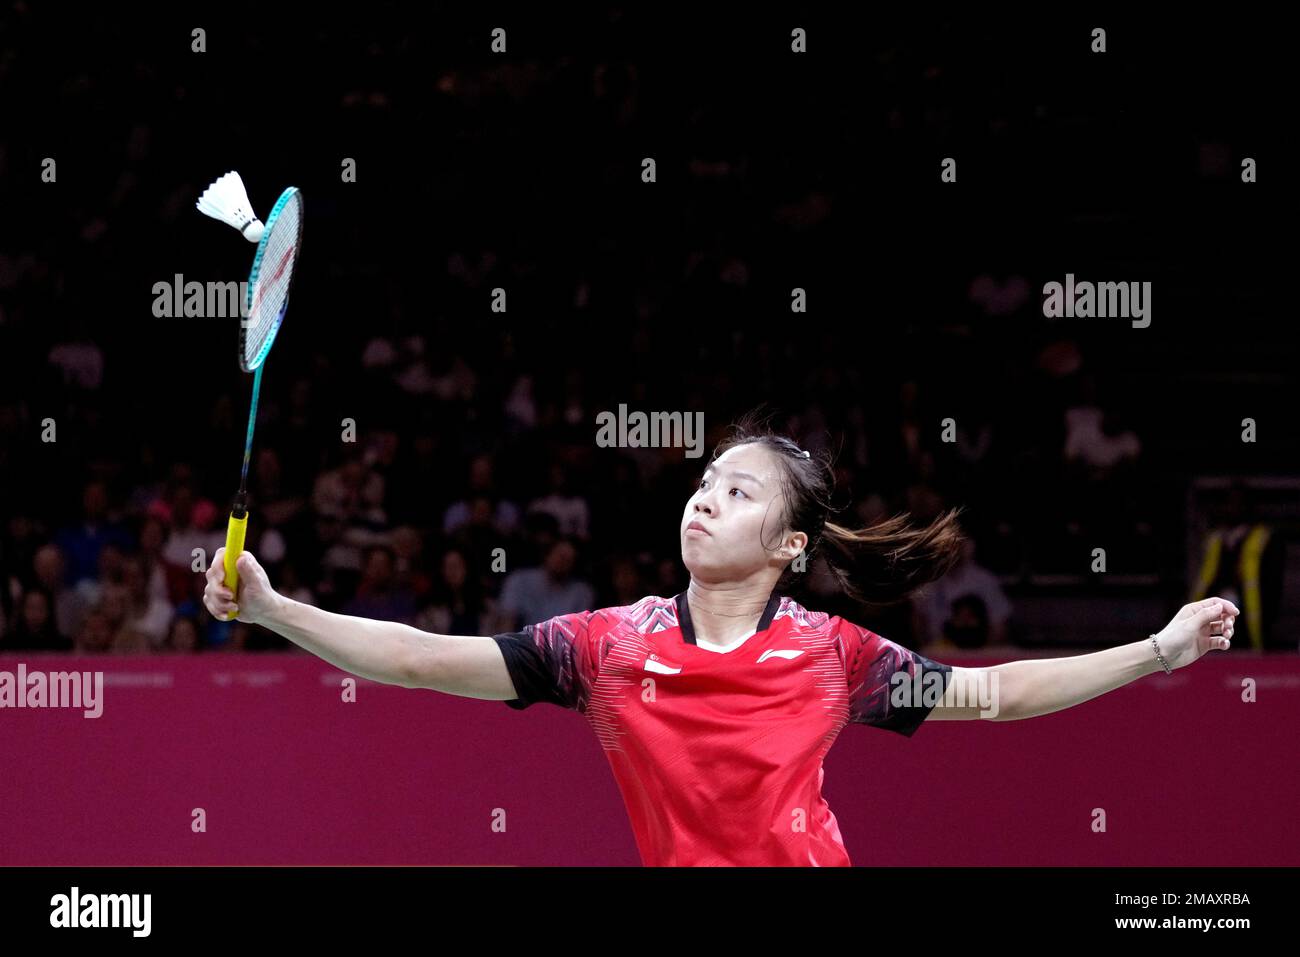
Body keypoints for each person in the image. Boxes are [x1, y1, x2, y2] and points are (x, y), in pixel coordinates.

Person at [203, 415, 1240, 867]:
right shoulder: (605, 645)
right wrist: (277, 607)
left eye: (737, 493)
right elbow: (425, 661)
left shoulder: (835, 655)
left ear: (789, 544)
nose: (704, 501)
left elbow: (997, 695)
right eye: (704, 484)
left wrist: (1155, 648)